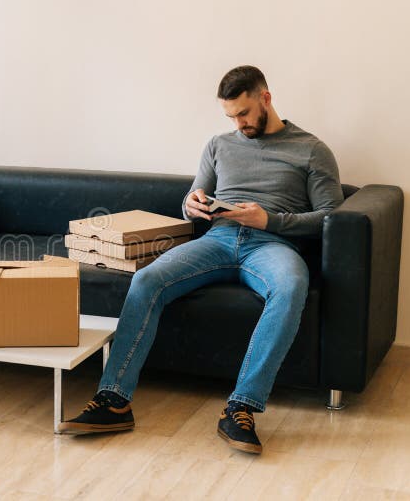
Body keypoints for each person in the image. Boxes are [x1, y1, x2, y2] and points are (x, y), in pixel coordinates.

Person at [58, 65, 344, 454]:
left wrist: (269, 219)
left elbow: (331, 218)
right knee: (146, 280)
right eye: (231, 116)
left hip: (273, 245)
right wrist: (192, 204)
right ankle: (114, 401)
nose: (239, 123)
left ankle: (241, 407)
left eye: (244, 113)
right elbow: (194, 198)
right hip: (219, 238)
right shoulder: (218, 145)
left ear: (266, 98)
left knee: (292, 286)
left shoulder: (311, 150)